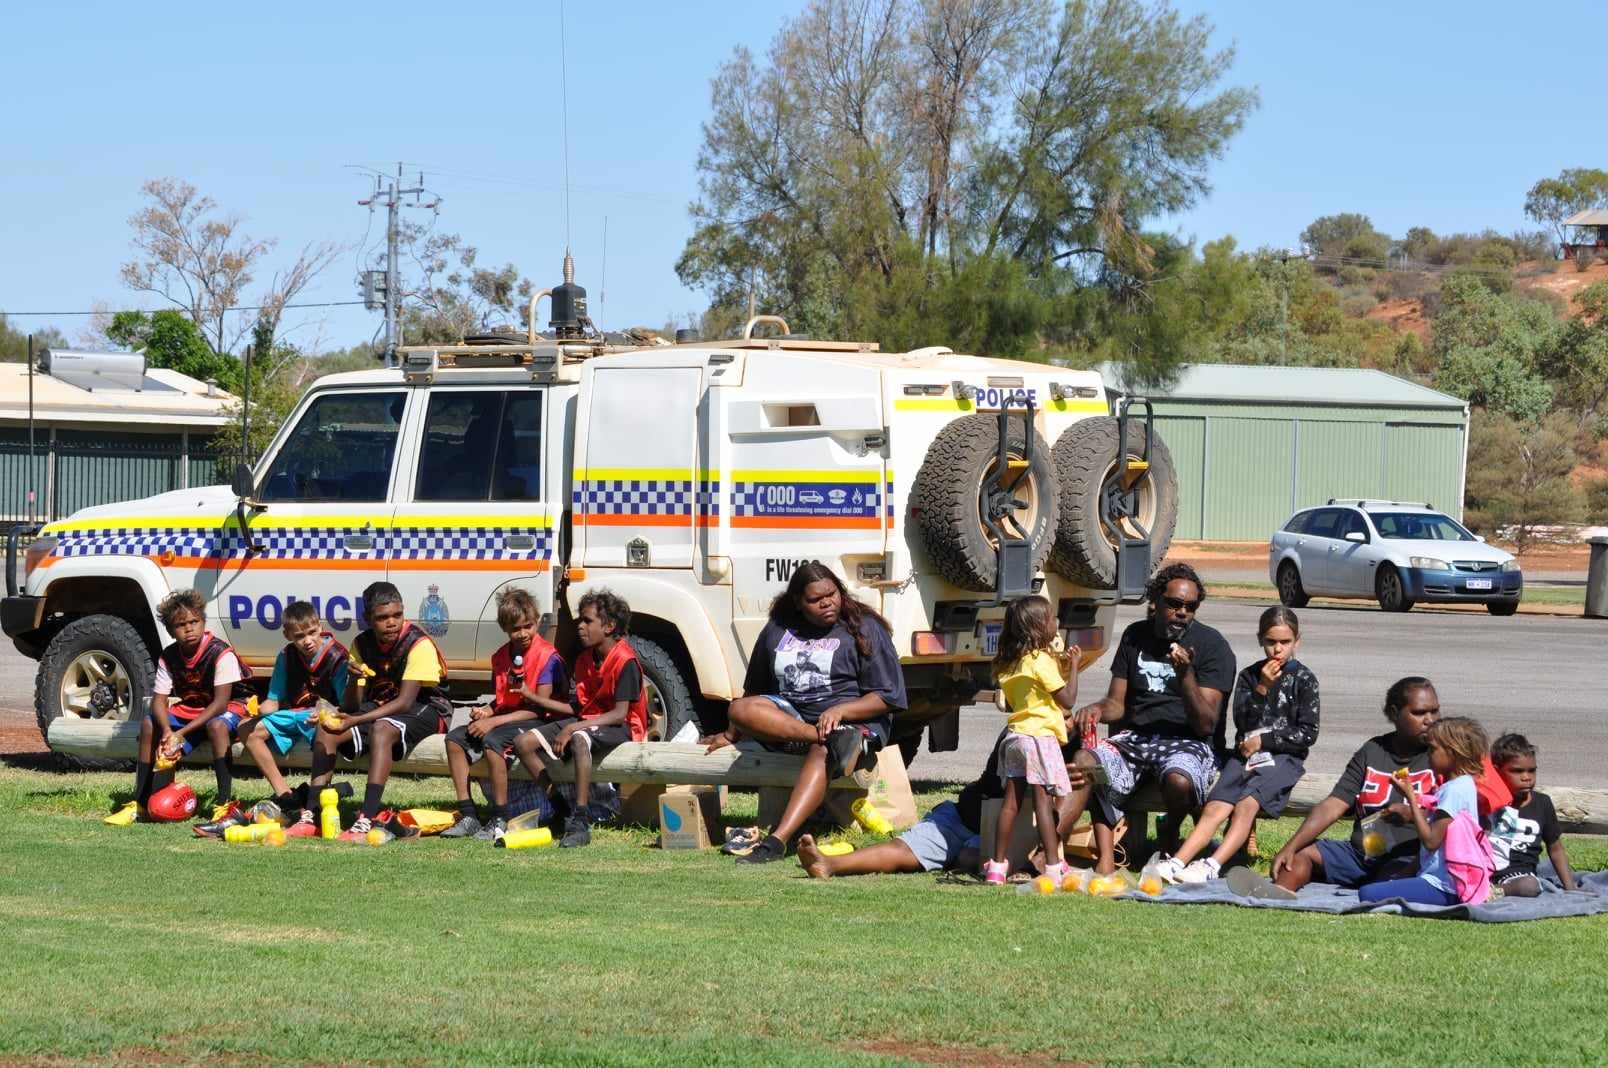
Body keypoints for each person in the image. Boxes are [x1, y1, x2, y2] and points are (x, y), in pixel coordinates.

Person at [706, 561, 906, 866]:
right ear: (799, 602)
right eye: (815, 599)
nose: (827, 602)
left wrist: (840, 710)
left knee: (822, 750)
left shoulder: (865, 628)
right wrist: (731, 734)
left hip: (856, 723)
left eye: (832, 594)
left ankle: (777, 840)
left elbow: (888, 697)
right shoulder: (778, 629)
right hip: (797, 723)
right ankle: (820, 737)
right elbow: (754, 693)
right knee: (739, 708)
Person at [1072, 562, 1235, 855]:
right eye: (1174, 604)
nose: (1182, 612)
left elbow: (1206, 724)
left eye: (1190, 606)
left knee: (1178, 779)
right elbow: (1116, 703)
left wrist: (1186, 675)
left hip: (1189, 743)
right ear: (1156, 601)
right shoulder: (1135, 635)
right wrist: (1096, 709)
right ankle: (1106, 859)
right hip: (1136, 738)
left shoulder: (1212, 646)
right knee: (1086, 762)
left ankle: (1170, 830)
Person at [1152, 607, 1318, 885]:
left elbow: (1308, 732)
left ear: (1297, 641)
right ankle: (1178, 861)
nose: (1277, 649)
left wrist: (1264, 741)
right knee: (1215, 806)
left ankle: (1212, 864)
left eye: (1285, 642)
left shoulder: (1304, 680)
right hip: (1244, 757)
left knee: (1246, 804)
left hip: (1283, 759)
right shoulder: (1249, 676)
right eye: (1270, 641)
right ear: (1260, 640)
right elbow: (1242, 720)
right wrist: (1262, 688)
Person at [1266, 676, 1441, 895]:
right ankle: (1275, 897)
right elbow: (1333, 804)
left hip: (1408, 856)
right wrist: (1291, 846)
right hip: (1359, 853)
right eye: (1419, 712)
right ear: (1395, 713)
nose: (1429, 720)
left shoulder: (1443, 755)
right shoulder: (1373, 750)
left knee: (1385, 887)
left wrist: (1414, 814)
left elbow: (1458, 815)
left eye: (1434, 711)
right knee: (1299, 856)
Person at [308, 581, 451, 841]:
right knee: (328, 727)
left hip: (427, 707)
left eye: (397, 615)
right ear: (367, 619)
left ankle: (367, 817)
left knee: (382, 729)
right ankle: (312, 812)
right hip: (383, 705)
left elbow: (406, 702)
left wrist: (356, 720)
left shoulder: (418, 643)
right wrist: (352, 679)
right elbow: (351, 705)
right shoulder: (361, 644)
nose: (391, 623)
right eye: (382, 618)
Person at [105, 589, 255, 829]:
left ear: (203, 622)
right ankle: (140, 803)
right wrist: (166, 730)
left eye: (194, 622)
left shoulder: (220, 652)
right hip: (194, 709)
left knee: (216, 726)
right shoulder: (168, 656)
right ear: (170, 630)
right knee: (148, 724)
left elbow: (220, 704)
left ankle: (225, 804)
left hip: (229, 707)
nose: (189, 628)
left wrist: (181, 734)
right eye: (181, 625)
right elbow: (158, 700)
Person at [511, 589, 646, 848]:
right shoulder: (585, 659)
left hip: (621, 726)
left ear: (609, 626)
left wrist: (573, 728)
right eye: (580, 620)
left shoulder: (625, 660)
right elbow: (577, 707)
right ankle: (560, 809)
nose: (580, 626)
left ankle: (581, 820)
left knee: (580, 739)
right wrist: (532, 696)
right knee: (523, 743)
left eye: (587, 621)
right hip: (588, 721)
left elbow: (620, 714)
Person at [441, 588, 569, 844]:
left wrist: (493, 721)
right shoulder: (500, 657)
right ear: (505, 629)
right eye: (515, 629)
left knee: (493, 741)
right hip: (509, 717)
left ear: (536, 623)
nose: (522, 634)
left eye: (528, 626)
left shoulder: (547, 657)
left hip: (539, 720)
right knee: (454, 739)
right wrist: (486, 711)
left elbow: (537, 707)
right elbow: (503, 700)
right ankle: (468, 814)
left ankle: (499, 817)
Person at [798, 744, 1007, 879]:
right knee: (902, 848)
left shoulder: (1034, 733)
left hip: (1004, 833)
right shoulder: (1019, 733)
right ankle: (830, 864)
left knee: (970, 859)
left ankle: (956, 855)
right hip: (962, 817)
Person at [984, 596, 1080, 885]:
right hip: (1039, 738)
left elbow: (1017, 704)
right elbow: (1068, 699)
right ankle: (1053, 865)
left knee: (1011, 802)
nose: (1057, 623)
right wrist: (1073, 665)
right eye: (1052, 619)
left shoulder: (1009, 663)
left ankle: (997, 866)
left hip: (1014, 738)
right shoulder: (1041, 661)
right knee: (1043, 801)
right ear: (1039, 627)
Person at [234, 601, 350, 838]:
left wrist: (324, 714)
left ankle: (315, 802)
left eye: (312, 633)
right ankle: (286, 796)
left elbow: (345, 705)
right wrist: (255, 708)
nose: (307, 641)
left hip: (322, 716)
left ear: (320, 626)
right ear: (287, 635)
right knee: (246, 729)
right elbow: (273, 702)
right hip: (294, 715)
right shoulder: (285, 656)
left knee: (326, 732)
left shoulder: (338, 657)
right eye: (299, 636)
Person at [1358, 717, 1492, 906]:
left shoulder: (1454, 790)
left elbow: (1430, 841)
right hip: (1442, 881)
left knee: (1366, 893)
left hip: (1444, 887)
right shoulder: (1462, 785)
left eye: (1432, 749)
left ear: (1453, 752)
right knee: (1384, 882)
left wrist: (1411, 797)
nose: (1428, 754)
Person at [1488, 733, 1577, 898]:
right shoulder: (1487, 802)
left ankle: (1494, 892)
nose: (1526, 778)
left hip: (1519, 875)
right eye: (1517, 771)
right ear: (1497, 771)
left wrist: (1570, 887)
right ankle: (1483, 888)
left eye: (1532, 771)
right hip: (1485, 871)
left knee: (1530, 886)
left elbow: (1555, 848)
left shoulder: (1542, 803)